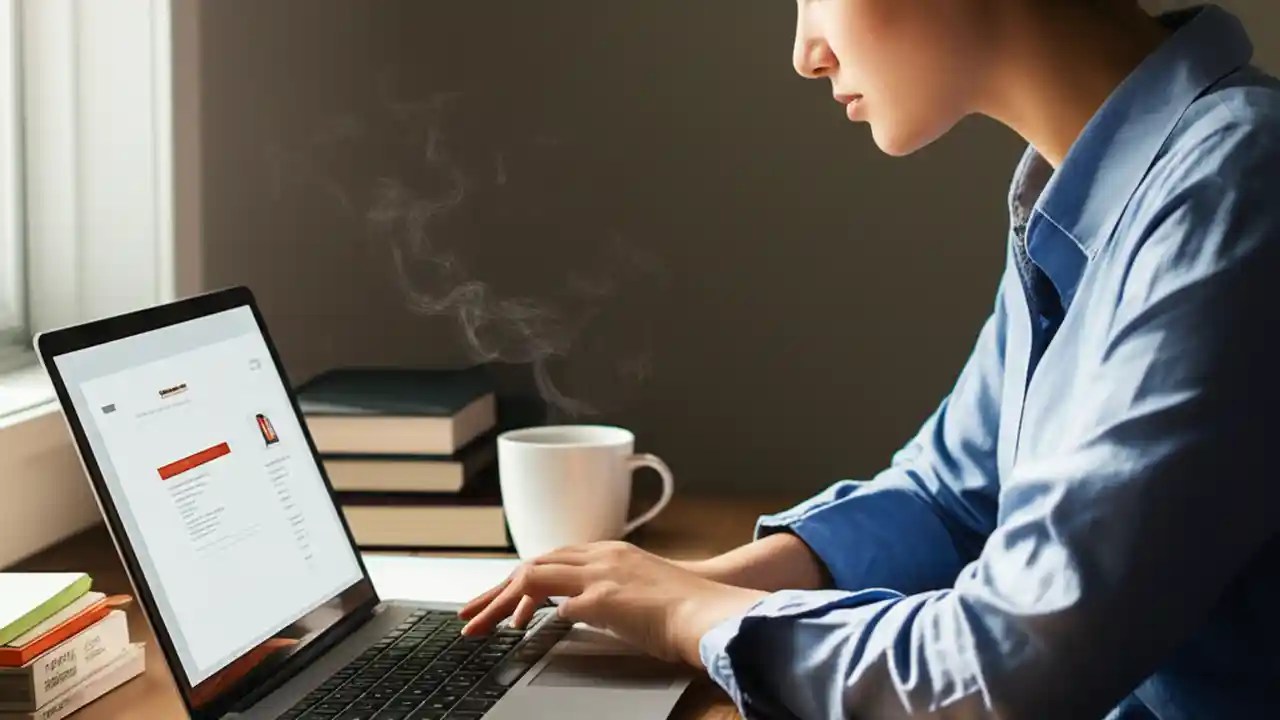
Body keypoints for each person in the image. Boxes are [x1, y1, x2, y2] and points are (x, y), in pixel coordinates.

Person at [459, 2, 1280, 717]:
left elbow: (1005, 672)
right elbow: (955, 499)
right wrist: (703, 585)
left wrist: (694, 619)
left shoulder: (1234, 189)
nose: (804, 51)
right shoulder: (1088, 195)